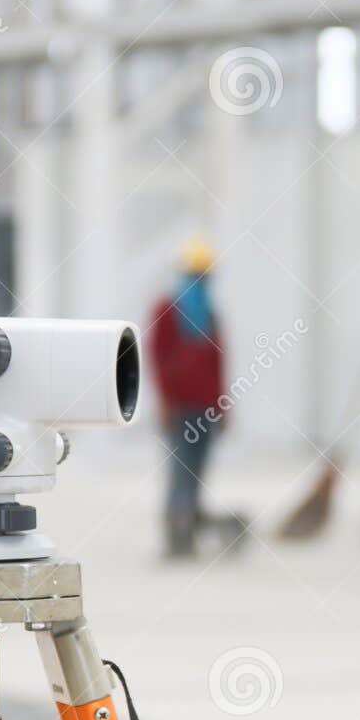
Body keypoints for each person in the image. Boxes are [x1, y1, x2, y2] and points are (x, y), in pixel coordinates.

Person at [148, 238, 227, 559]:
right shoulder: (166, 311)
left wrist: (223, 407)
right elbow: (158, 359)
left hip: (206, 408)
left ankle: (190, 534)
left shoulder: (210, 314)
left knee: (197, 474)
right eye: (196, 275)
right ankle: (175, 539)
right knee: (179, 474)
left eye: (204, 276)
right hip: (180, 409)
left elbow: (219, 363)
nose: (200, 282)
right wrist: (166, 403)